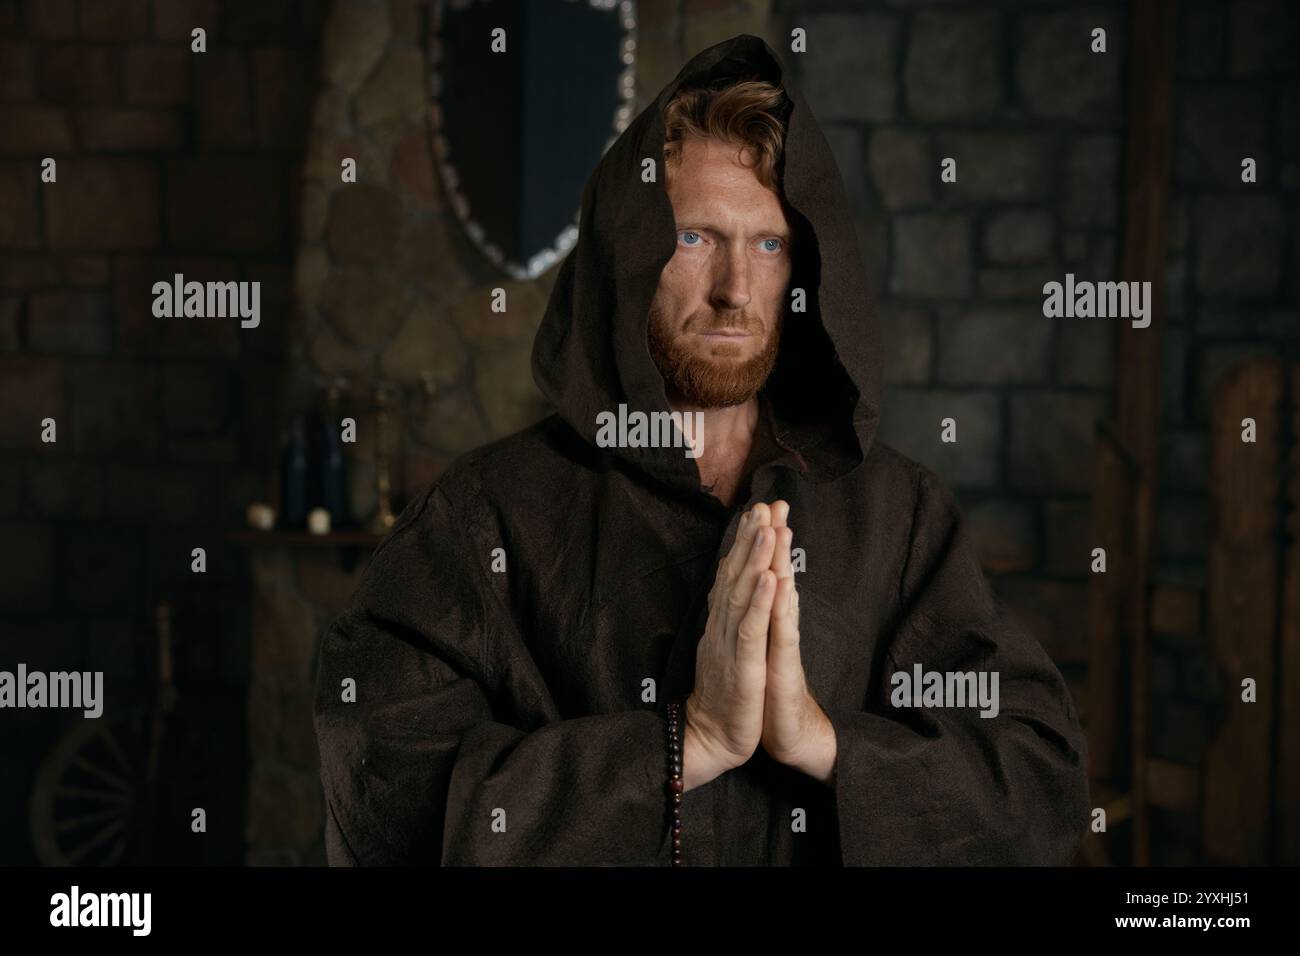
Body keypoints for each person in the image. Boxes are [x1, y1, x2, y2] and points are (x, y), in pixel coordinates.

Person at [313, 34, 1090, 866]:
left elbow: (1039, 785)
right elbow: (386, 796)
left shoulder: (898, 519)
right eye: (694, 239)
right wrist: (687, 745)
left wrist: (826, 744)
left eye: (768, 244)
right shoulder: (481, 519)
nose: (735, 290)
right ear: (627, 252)